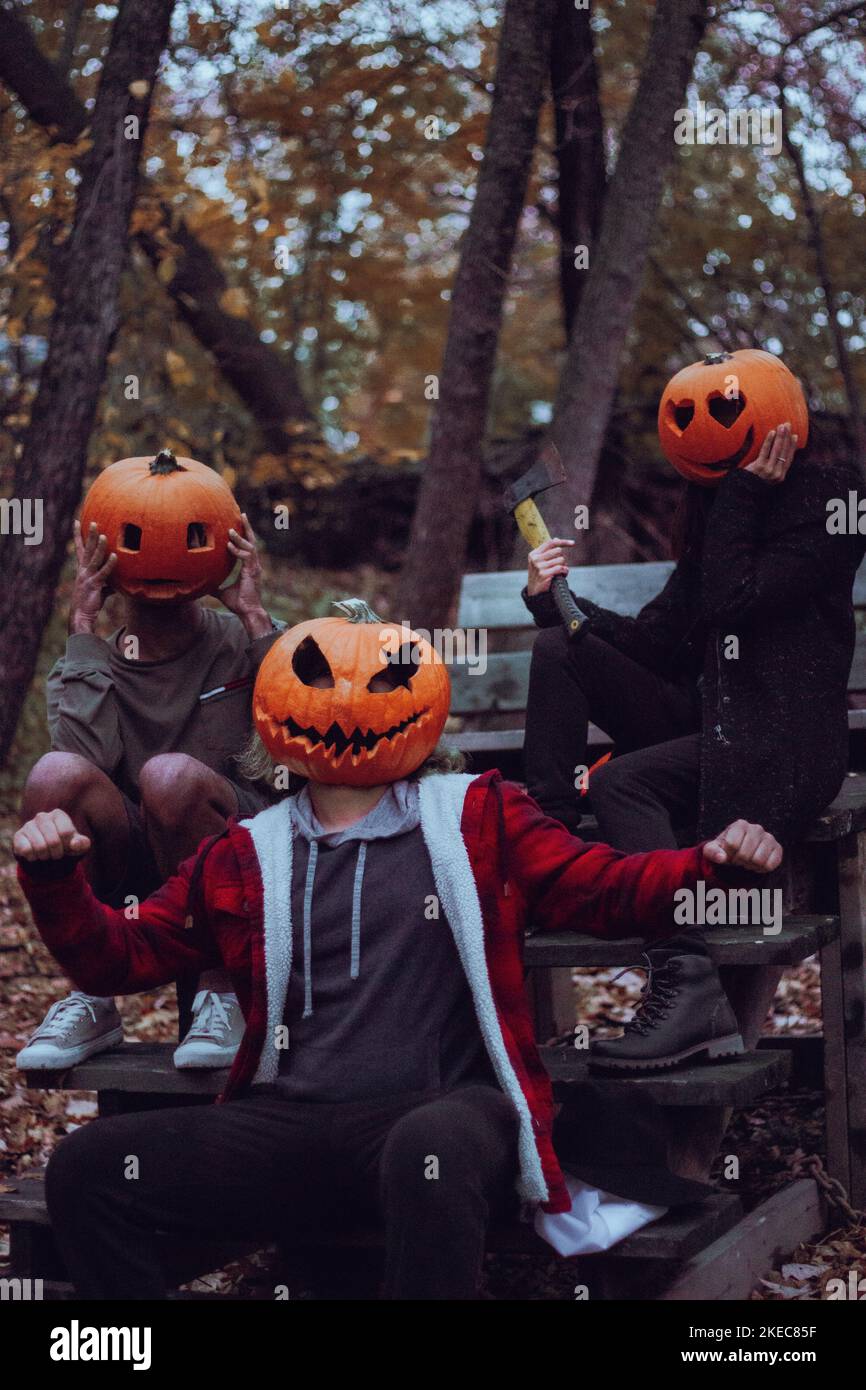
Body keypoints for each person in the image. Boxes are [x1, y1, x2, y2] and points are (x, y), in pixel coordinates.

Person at [14, 600, 781, 1300]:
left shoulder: (479, 817)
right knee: (88, 1169)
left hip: (445, 1108)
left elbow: (604, 886)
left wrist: (707, 864)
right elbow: (122, 958)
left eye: (381, 679)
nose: (346, 701)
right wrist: (56, 884)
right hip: (292, 1123)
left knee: (430, 1146)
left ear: (422, 706)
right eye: (316, 677)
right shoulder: (245, 854)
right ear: (273, 712)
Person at [522, 359, 865, 1072]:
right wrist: (555, 597)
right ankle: (546, 856)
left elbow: (733, 601)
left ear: (783, 417)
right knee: (560, 647)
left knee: (623, 785)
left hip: (781, 745)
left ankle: (688, 983)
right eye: (683, 413)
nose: (699, 426)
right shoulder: (718, 510)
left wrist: (738, 495)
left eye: (723, 408)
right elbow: (658, 638)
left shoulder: (835, 501)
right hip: (712, 725)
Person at [16, 507, 283, 1072]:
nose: (162, 554)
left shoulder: (246, 643)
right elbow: (78, 769)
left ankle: (222, 990)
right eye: (138, 540)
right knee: (51, 773)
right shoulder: (84, 663)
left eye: (186, 537)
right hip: (133, 857)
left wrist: (255, 615)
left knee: (170, 776)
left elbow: (300, 731)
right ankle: (92, 996)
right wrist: (84, 628)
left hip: (237, 849)